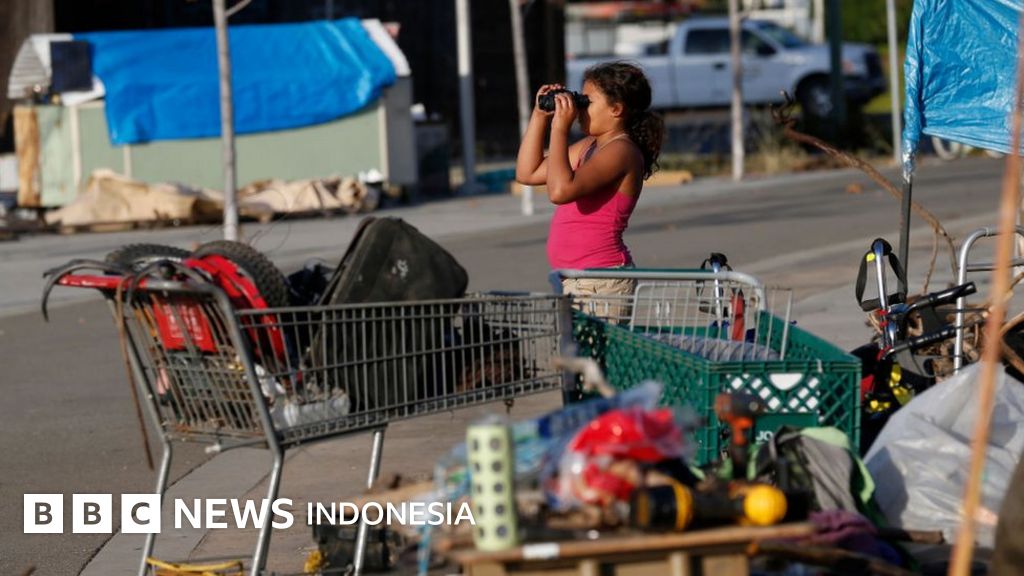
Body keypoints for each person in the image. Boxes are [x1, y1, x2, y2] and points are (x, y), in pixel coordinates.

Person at [515, 62, 664, 322]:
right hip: (578, 278)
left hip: (601, 281)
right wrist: (539, 117)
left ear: (616, 109)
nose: (579, 108)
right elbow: (528, 172)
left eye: (587, 102)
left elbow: (560, 191)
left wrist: (559, 129)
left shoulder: (622, 151)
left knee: (588, 351)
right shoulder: (589, 146)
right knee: (576, 350)